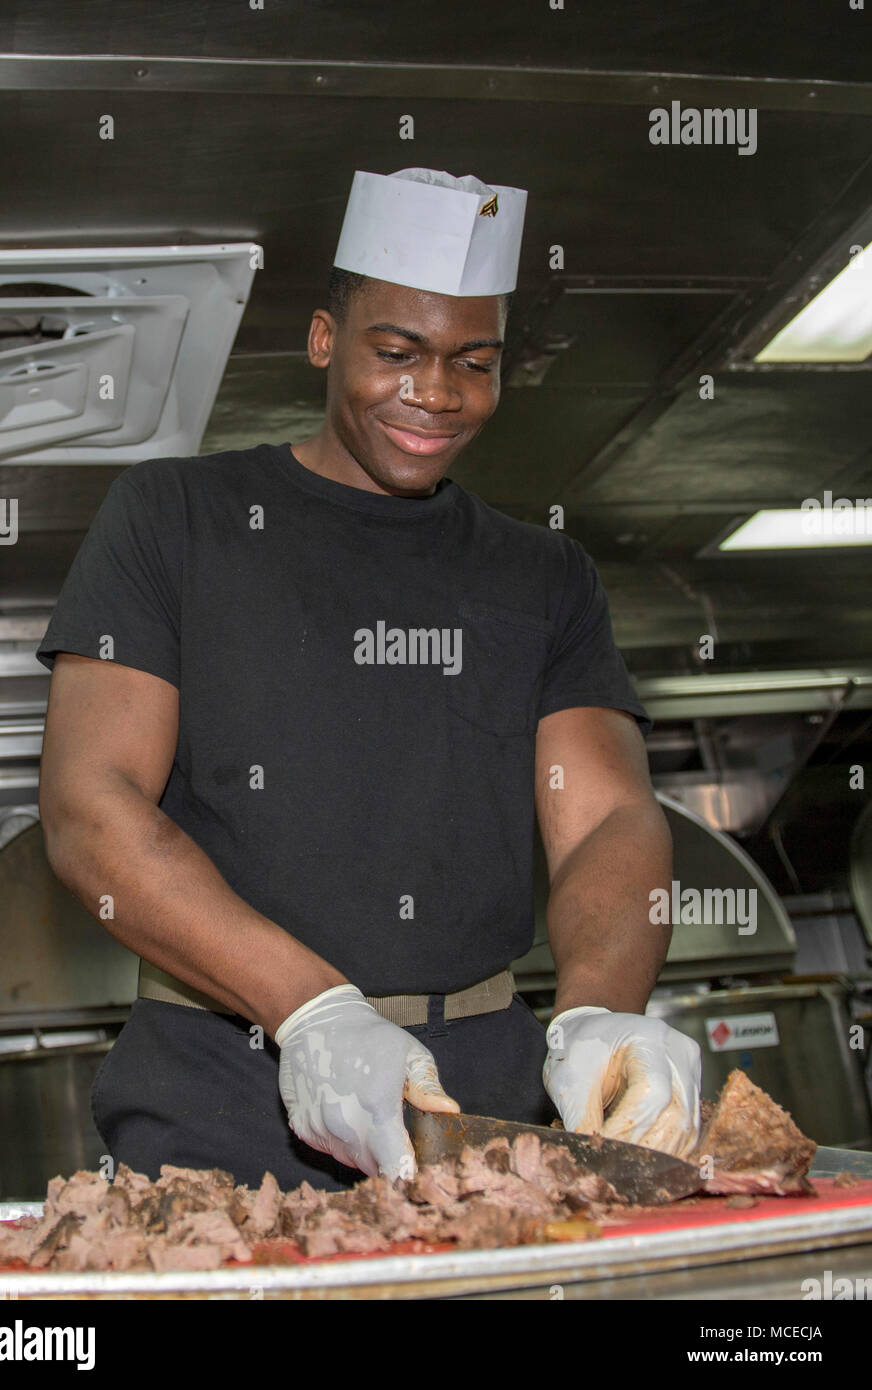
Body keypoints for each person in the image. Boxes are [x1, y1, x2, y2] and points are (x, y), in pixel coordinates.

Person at [37, 167, 701, 1192]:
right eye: (397, 353)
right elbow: (92, 808)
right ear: (321, 340)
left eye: (472, 363)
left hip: (485, 1105)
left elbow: (609, 817)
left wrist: (600, 1009)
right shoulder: (175, 521)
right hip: (223, 1094)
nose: (435, 392)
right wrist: (309, 1009)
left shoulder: (542, 573)